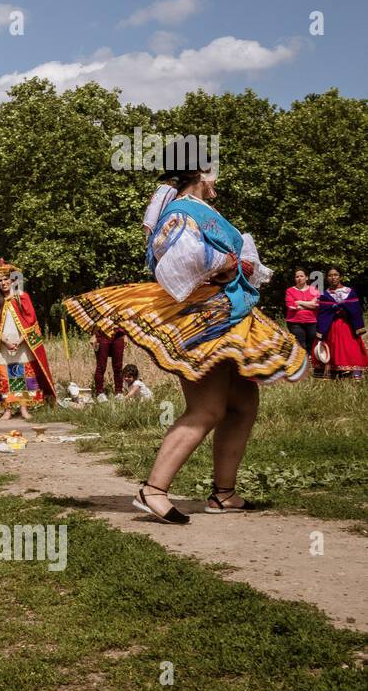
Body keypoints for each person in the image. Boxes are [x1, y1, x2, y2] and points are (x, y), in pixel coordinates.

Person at [65, 146, 305, 525]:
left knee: (243, 402)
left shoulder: (204, 212)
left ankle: (224, 494)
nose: (216, 180)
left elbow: (236, 261)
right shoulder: (180, 211)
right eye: (212, 172)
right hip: (200, 317)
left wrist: (240, 264)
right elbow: (174, 262)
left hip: (228, 313)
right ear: (199, 173)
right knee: (207, 409)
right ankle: (153, 490)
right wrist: (226, 263)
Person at [0, 261, 56, 420]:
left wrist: (20, 341)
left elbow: (31, 322)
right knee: (5, 376)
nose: (3, 283)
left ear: (12, 280)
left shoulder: (22, 297)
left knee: (24, 375)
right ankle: (8, 409)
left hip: (22, 343)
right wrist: (6, 342)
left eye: (6, 279)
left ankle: (24, 408)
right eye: (0, 281)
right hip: (4, 344)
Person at [314, 268, 368, 380]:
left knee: (350, 348)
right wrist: (335, 309)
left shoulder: (349, 292)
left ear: (340, 276)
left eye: (336, 275)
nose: (333, 277)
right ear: (326, 278)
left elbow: (356, 309)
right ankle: (333, 374)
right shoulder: (324, 294)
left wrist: (344, 308)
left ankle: (352, 372)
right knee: (331, 348)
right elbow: (322, 312)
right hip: (330, 326)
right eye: (330, 275)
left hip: (347, 326)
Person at [284, 269, 320, 359]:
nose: (299, 278)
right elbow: (291, 305)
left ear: (306, 277)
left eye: (301, 276)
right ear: (295, 279)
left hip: (312, 321)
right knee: (300, 343)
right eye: (297, 276)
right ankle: (302, 363)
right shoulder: (290, 291)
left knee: (312, 342)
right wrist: (310, 303)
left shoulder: (314, 290)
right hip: (294, 322)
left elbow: (318, 305)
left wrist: (299, 302)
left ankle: (312, 361)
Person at [92, 329, 126, 396]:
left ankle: (119, 392)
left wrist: (125, 335)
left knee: (118, 367)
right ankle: (99, 393)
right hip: (101, 335)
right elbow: (92, 319)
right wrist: (93, 335)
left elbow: (125, 319)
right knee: (101, 367)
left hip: (118, 335)